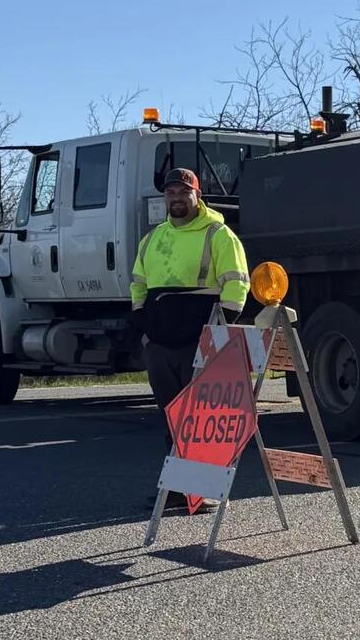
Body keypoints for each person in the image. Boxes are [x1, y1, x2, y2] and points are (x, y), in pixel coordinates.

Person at [130, 168, 250, 510]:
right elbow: (138, 283)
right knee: (173, 416)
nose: (176, 198)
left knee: (201, 419)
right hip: (161, 345)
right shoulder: (153, 239)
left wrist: (217, 332)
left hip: (200, 342)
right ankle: (180, 489)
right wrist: (144, 329)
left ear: (197, 195)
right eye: (170, 193)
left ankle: (204, 491)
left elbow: (237, 284)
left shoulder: (218, 234)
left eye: (183, 192)